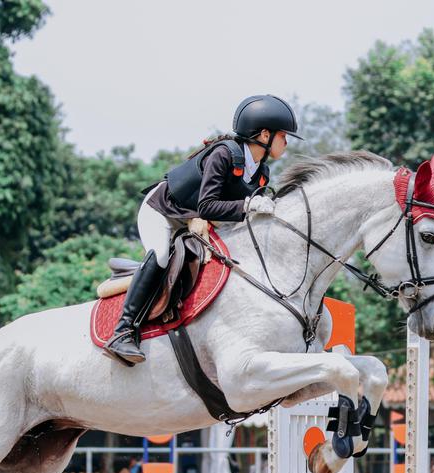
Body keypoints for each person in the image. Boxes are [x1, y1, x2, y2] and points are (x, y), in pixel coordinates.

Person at [104, 95, 303, 365]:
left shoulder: (261, 172)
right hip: (163, 212)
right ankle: (123, 330)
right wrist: (248, 205)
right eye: (283, 136)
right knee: (161, 255)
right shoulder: (224, 154)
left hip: (197, 222)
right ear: (265, 135)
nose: (286, 142)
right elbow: (207, 205)